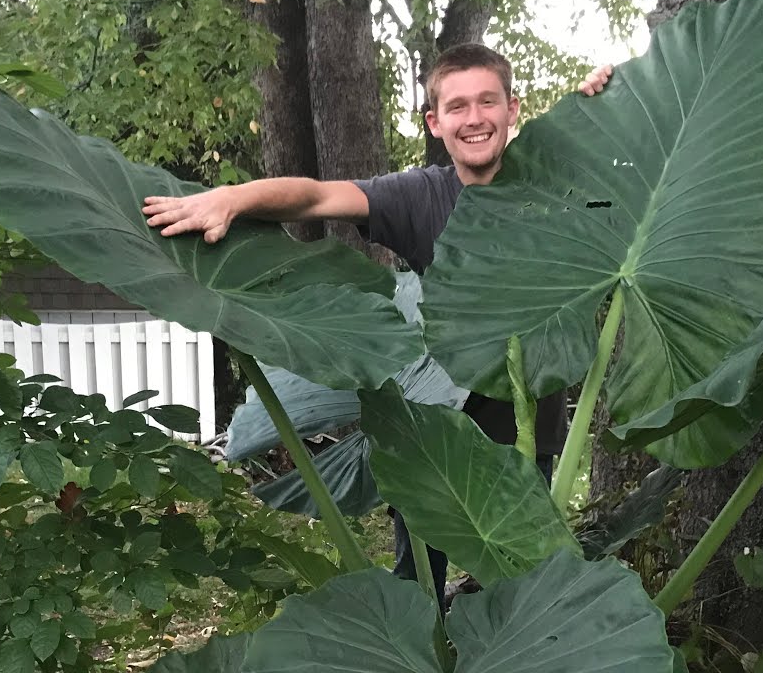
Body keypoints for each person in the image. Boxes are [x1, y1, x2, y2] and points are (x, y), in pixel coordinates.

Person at [144, 47, 614, 605]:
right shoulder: (421, 196)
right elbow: (320, 196)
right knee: (418, 591)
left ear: (513, 109)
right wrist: (233, 197)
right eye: (457, 105)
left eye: (488, 101)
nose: (474, 118)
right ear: (434, 122)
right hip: (431, 432)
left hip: (524, 430)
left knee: (521, 599)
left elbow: (633, 182)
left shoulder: (552, 185)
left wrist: (605, 106)